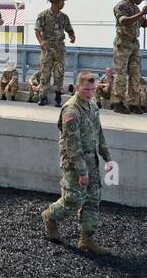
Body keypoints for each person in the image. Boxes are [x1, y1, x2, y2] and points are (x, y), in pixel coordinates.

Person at [42, 70, 112, 253]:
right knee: (73, 200)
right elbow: (72, 145)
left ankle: (86, 239)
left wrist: (107, 157)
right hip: (75, 163)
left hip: (92, 160)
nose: (89, 93)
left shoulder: (92, 106)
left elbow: (99, 133)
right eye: (86, 90)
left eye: (92, 90)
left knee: (93, 199)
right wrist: (82, 172)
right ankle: (50, 216)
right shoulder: (71, 110)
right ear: (78, 87)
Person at [111, 0, 147, 114]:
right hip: (123, 42)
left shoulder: (136, 9)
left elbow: (143, 24)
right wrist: (142, 13)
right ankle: (118, 102)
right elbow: (124, 21)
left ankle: (133, 102)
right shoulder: (121, 6)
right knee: (121, 73)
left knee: (135, 73)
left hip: (134, 44)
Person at [34, 0, 76, 107]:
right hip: (47, 48)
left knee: (59, 72)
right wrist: (41, 42)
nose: (63, 4)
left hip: (59, 49)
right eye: (62, 1)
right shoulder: (43, 15)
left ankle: (58, 96)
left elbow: (69, 29)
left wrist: (72, 36)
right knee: (45, 73)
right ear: (55, 1)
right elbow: (37, 31)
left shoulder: (64, 17)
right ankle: (42, 96)